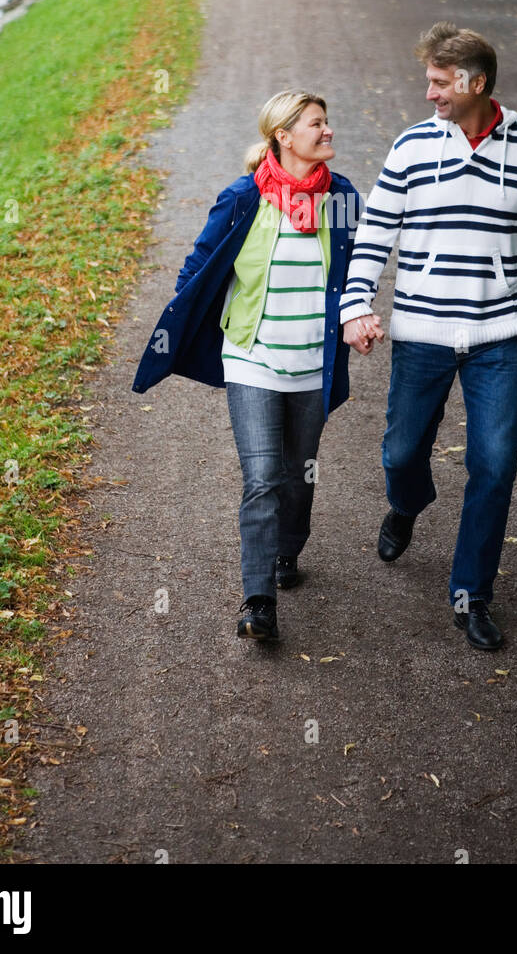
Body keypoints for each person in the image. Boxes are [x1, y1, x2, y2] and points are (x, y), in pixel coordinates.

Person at [341, 24, 517, 651]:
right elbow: (375, 233)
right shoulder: (412, 147)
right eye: (429, 82)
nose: (429, 94)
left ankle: (471, 593)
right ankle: (407, 503)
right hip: (422, 330)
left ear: (476, 83)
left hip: (499, 335)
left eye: (440, 83)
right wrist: (355, 303)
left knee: (495, 465)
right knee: (400, 453)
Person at [132, 92, 361, 642]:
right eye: (316, 124)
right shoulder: (242, 198)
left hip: (313, 363)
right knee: (262, 479)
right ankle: (257, 602)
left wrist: (358, 313)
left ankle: (288, 549)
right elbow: (197, 267)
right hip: (252, 359)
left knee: (298, 473)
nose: (328, 131)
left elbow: (360, 265)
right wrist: (197, 319)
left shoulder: (344, 197)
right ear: (283, 135)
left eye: (327, 123)